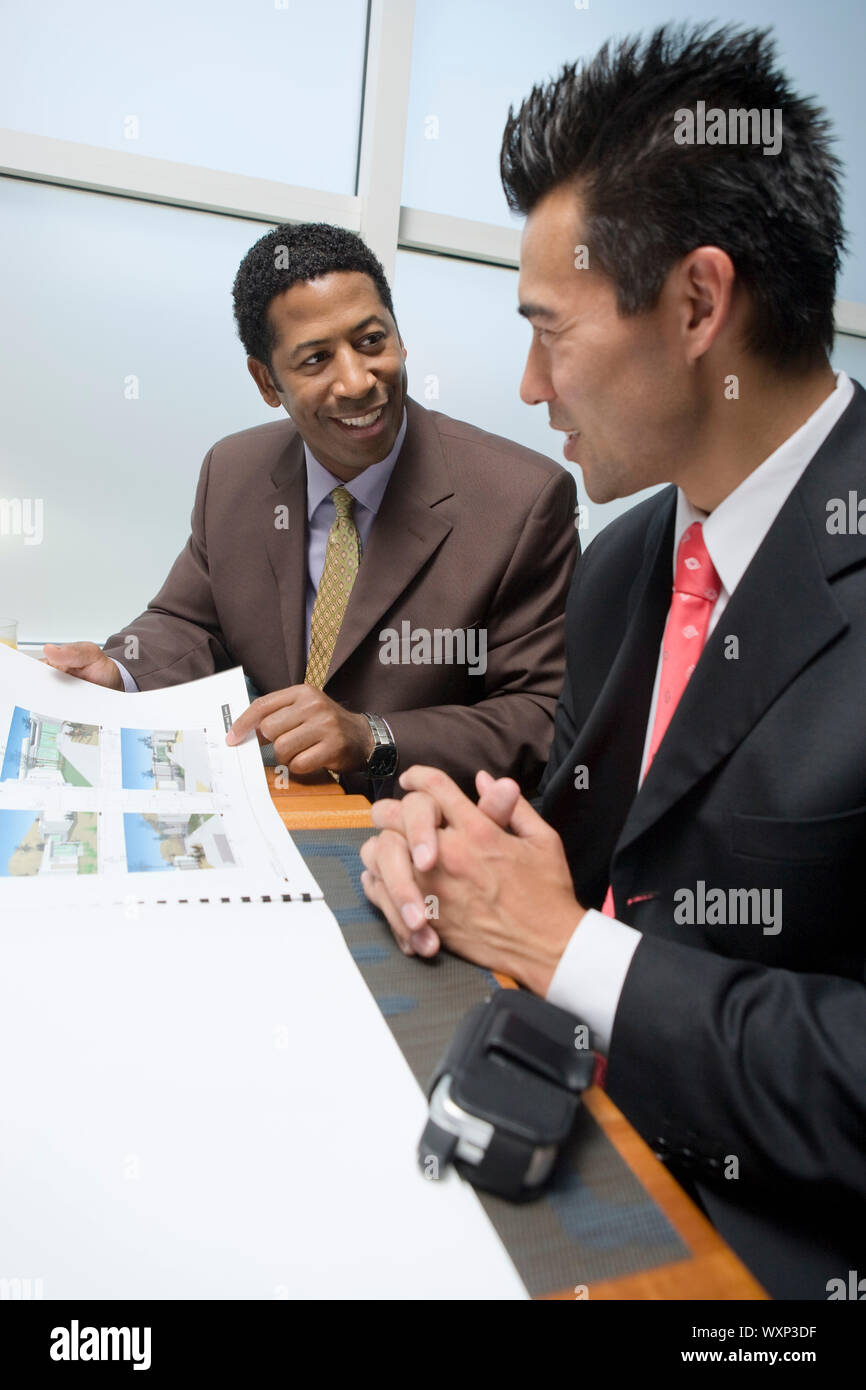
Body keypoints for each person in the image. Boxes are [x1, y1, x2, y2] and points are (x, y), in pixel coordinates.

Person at [360, 23, 866, 1299]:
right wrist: (457, 837)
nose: (529, 387)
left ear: (697, 303)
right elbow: (595, 856)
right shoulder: (627, 555)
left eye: (550, 331)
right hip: (587, 1136)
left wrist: (564, 948)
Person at [43, 224, 576, 796]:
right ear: (266, 381)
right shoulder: (233, 471)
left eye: (372, 341)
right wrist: (119, 671)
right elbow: (189, 622)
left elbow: (545, 715)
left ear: (399, 337)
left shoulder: (523, 499)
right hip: (270, 807)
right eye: (317, 359)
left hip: (420, 834)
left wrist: (374, 737)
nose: (356, 381)